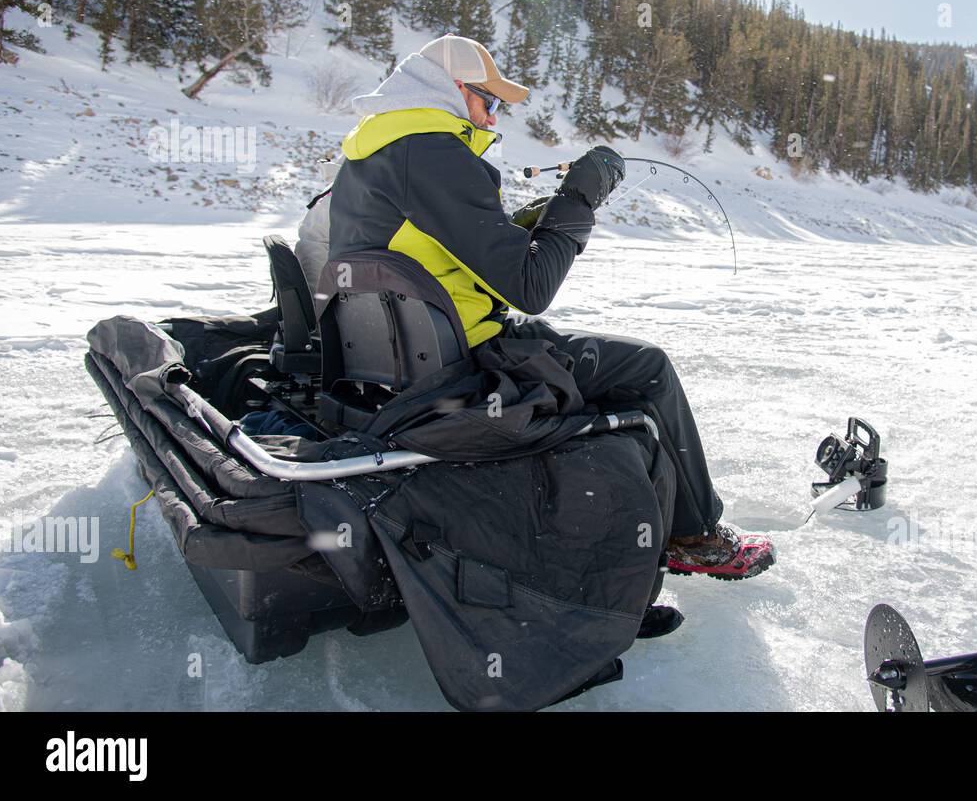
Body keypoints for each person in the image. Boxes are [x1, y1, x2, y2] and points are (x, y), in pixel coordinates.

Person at [318, 33, 775, 581]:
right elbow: (531, 287)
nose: (492, 120)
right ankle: (696, 535)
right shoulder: (434, 150)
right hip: (464, 364)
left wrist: (527, 227)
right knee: (647, 366)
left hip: (400, 357)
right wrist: (577, 202)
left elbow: (435, 252)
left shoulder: (370, 156)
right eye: (489, 102)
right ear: (449, 88)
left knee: (556, 338)